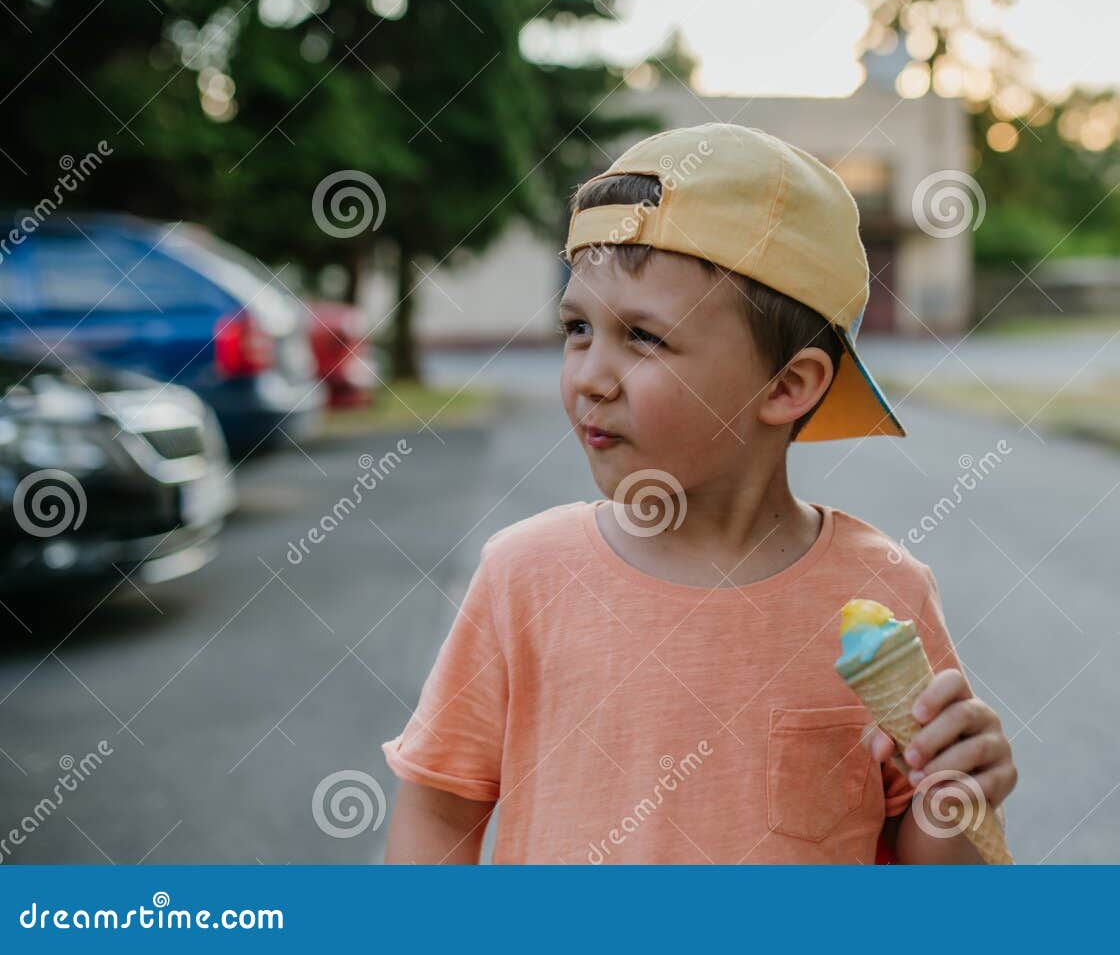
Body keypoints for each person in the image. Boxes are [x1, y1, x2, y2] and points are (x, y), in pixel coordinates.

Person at [381, 122, 1017, 863]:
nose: (590, 373)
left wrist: (957, 799)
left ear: (787, 384)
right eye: (578, 328)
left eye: (644, 337)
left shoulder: (883, 593)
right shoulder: (523, 577)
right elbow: (436, 815)